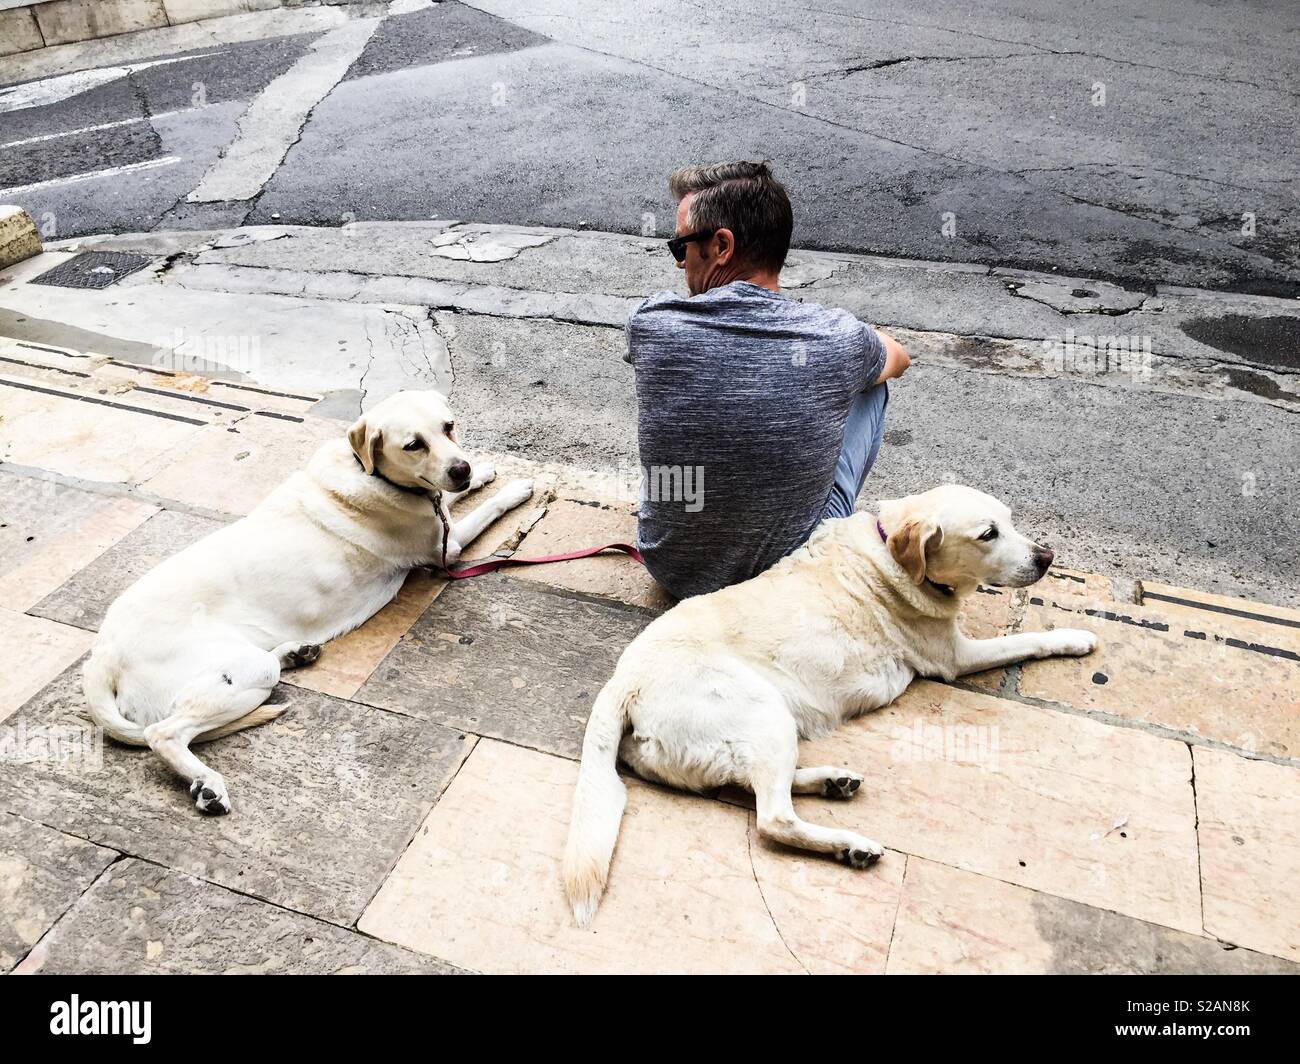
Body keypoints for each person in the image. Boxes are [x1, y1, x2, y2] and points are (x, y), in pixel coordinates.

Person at [625, 160, 911, 600]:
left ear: (721, 246)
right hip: (788, 578)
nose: (680, 262)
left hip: (674, 570)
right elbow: (899, 357)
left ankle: (695, 524)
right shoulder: (835, 337)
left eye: (681, 246)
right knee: (872, 386)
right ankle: (812, 525)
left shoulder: (651, 323)